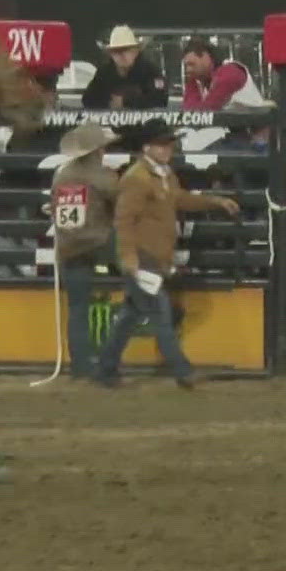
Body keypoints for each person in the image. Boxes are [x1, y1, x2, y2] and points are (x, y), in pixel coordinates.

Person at [93, 117, 241, 389]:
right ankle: (183, 372)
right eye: (162, 144)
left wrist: (215, 202)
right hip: (142, 256)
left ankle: (106, 369)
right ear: (147, 147)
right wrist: (129, 259)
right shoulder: (136, 179)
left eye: (169, 144)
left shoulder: (163, 174)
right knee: (160, 314)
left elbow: (180, 198)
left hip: (152, 256)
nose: (168, 149)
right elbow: (123, 221)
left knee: (130, 316)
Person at [48, 123, 119, 382]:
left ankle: (80, 366)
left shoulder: (61, 176)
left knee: (77, 307)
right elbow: (120, 205)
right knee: (139, 280)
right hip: (100, 242)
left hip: (68, 246)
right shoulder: (104, 176)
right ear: (98, 149)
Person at [81, 25, 168, 111]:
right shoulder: (104, 73)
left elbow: (160, 100)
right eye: (116, 51)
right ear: (111, 54)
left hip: (146, 124)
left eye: (126, 50)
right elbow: (87, 100)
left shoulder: (151, 72)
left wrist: (126, 101)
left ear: (136, 51)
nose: (121, 55)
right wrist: (109, 101)